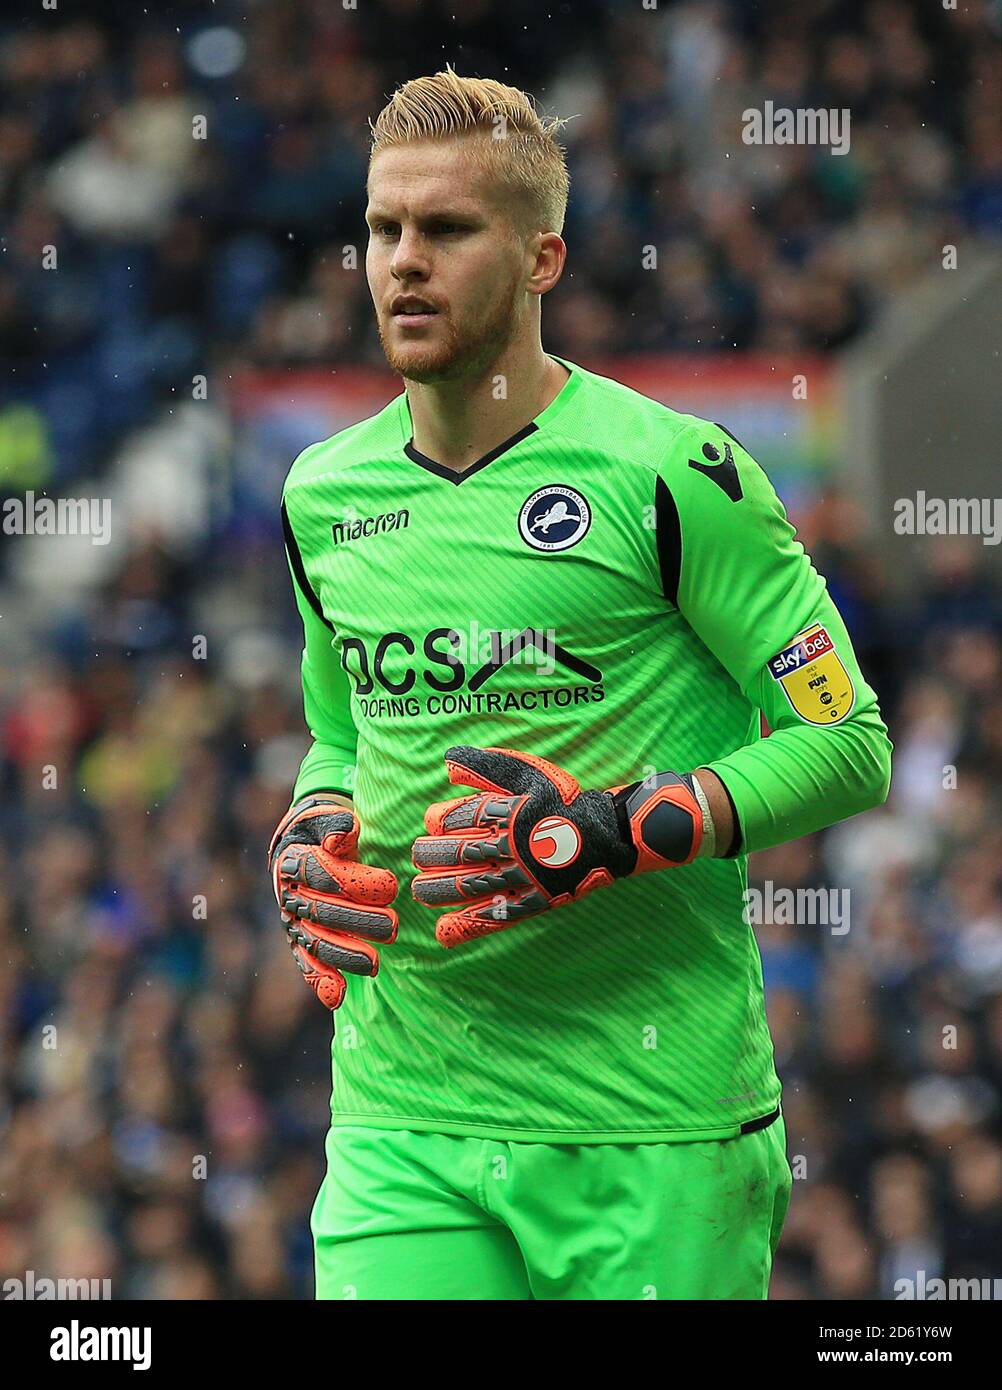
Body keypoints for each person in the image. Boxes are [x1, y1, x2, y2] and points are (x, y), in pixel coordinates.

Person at [269, 68, 892, 1301]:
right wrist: (310, 825)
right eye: (385, 229)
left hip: (650, 1122)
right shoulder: (320, 494)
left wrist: (615, 827)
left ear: (543, 257)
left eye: (447, 230)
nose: (403, 262)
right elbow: (340, 731)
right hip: (405, 1116)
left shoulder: (677, 473)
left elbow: (849, 740)